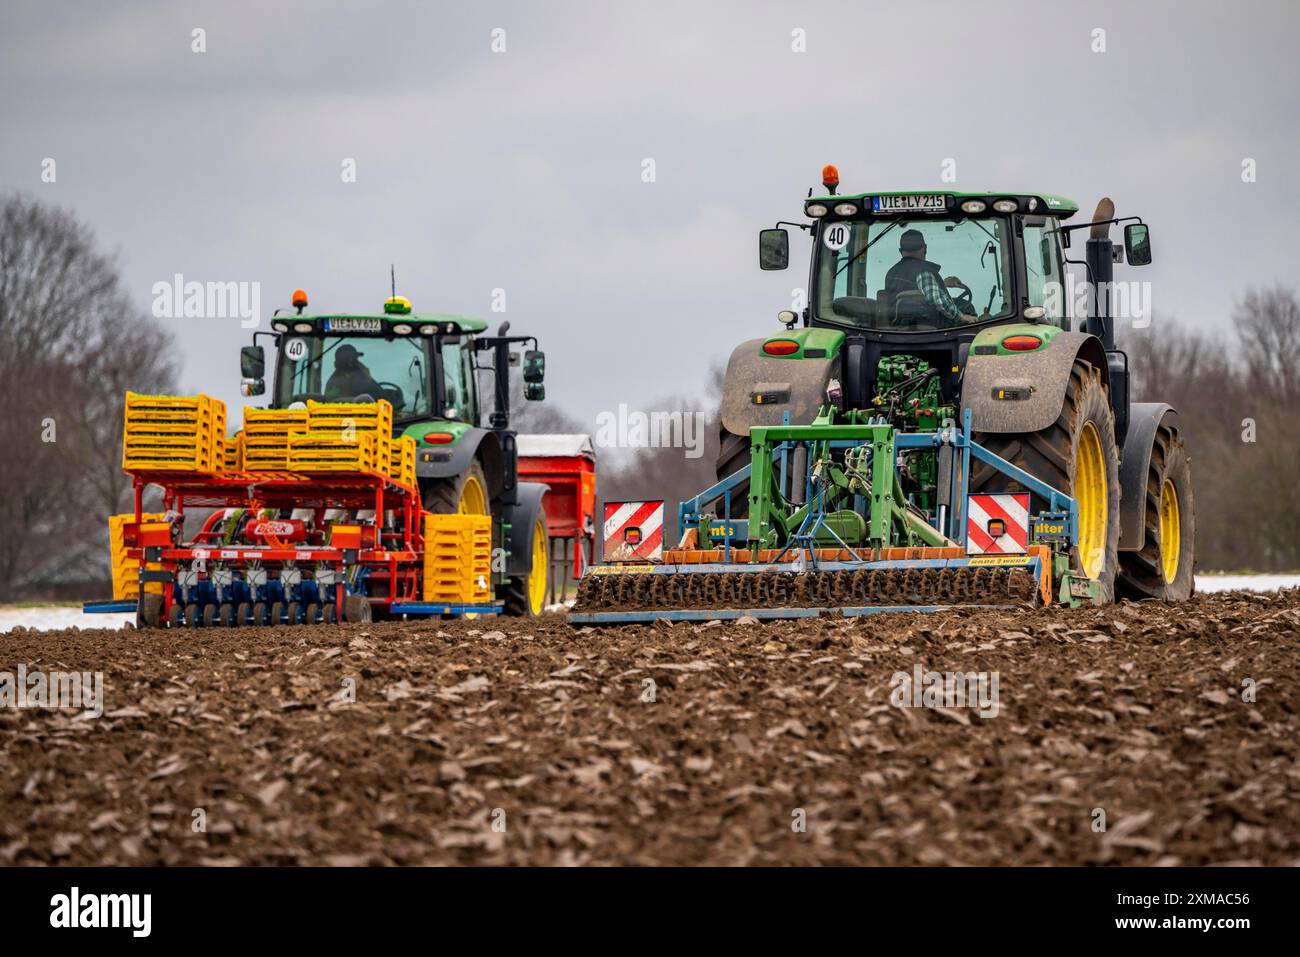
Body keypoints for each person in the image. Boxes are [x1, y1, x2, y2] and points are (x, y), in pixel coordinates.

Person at [881, 229, 981, 326]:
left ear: (900, 251)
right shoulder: (922, 271)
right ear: (925, 248)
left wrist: (943, 283)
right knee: (966, 307)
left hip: (898, 326)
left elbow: (911, 289)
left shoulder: (891, 273)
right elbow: (935, 298)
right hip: (929, 325)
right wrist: (961, 316)